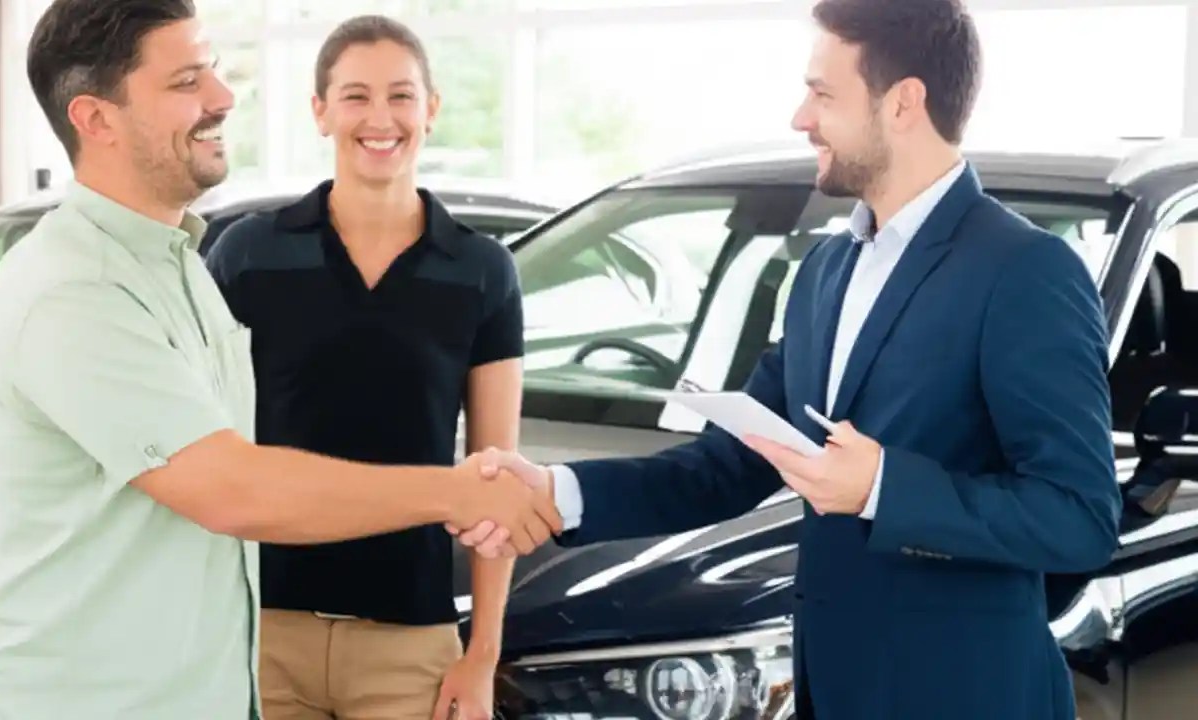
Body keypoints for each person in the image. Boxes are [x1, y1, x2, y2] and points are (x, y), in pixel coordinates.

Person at [456, 1, 1123, 718]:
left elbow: (1080, 516)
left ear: (904, 103)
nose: (801, 118)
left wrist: (885, 488)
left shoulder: (1024, 271)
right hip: (830, 693)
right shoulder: (824, 271)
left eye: (823, 93)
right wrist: (557, 492)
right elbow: (725, 467)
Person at [0, 2, 558, 719]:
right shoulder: (73, 292)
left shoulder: (181, 270)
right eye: (185, 81)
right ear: (97, 120)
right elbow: (231, 487)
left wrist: (482, 643)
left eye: (214, 72)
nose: (224, 98)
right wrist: (459, 493)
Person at [203, 15, 522, 720]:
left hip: (410, 645)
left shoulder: (482, 272)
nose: (380, 118)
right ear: (320, 112)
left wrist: (483, 654)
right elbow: (202, 451)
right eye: (355, 96)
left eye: (402, 96)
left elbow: (497, 474)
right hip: (260, 629)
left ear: (430, 110)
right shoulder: (246, 254)